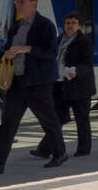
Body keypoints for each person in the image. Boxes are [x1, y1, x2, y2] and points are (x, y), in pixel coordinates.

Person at [0, 0, 67, 172]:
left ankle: (60, 153)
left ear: (33, 4)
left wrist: (28, 49)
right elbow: (5, 49)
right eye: (17, 2)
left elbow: (51, 53)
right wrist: (7, 53)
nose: (17, 5)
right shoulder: (15, 28)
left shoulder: (46, 26)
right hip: (17, 83)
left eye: (22, 2)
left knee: (48, 121)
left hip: (39, 83)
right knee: (8, 122)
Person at [34, 13, 94, 158]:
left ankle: (84, 149)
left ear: (79, 26)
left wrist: (76, 72)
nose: (70, 25)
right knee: (56, 118)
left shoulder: (84, 41)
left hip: (79, 87)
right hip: (60, 86)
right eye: (67, 22)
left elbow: (87, 63)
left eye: (73, 23)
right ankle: (44, 149)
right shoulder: (58, 39)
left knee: (82, 119)